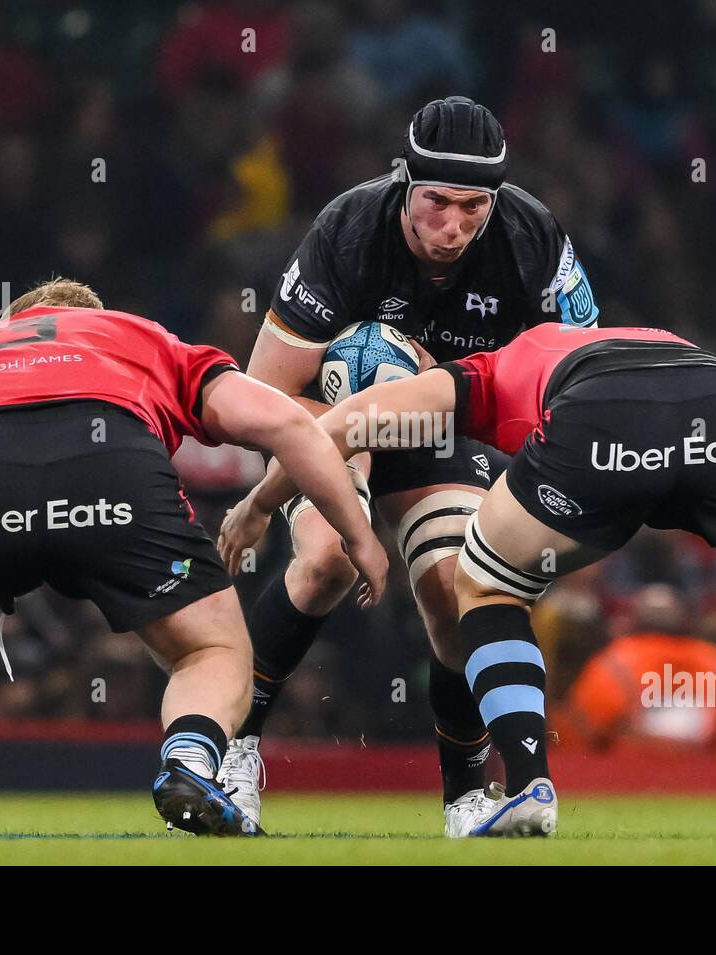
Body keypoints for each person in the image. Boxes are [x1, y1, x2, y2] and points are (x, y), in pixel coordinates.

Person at [219, 322, 716, 839]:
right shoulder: (644, 339)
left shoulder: (491, 367)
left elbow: (350, 419)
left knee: (481, 587)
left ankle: (532, 783)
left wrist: (261, 499)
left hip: (602, 424)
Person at [0, 278, 386, 838]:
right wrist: (356, 533)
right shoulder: (136, 334)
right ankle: (189, 763)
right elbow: (287, 423)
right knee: (211, 648)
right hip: (114, 477)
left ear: (11, 323)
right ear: (93, 314)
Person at [226, 95, 599, 833]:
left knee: (457, 590)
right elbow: (264, 392)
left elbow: (582, 382)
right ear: (405, 181)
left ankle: (464, 795)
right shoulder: (348, 230)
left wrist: (449, 396)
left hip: (450, 427)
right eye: (436, 202)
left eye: (473, 206)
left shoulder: (533, 236)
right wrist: (341, 449)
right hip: (330, 419)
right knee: (329, 558)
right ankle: (235, 753)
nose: (454, 225)